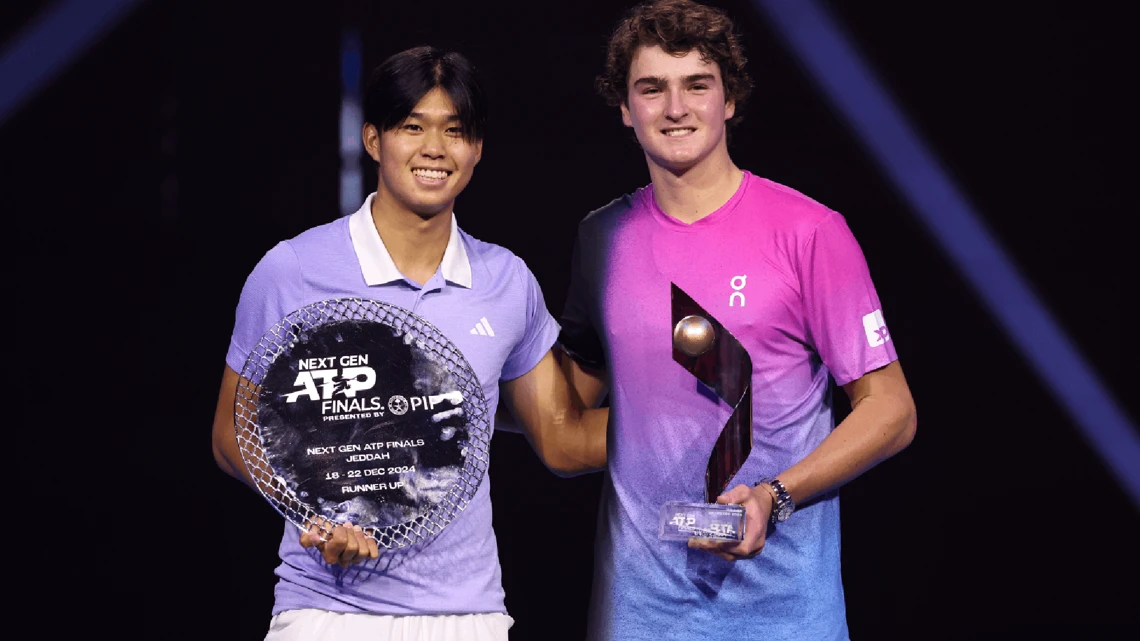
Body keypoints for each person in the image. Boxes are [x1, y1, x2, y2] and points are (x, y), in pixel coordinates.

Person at [211, 45, 606, 641]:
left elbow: (562, 438)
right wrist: (316, 516)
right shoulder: (293, 270)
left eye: (455, 130)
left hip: (468, 617)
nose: (434, 149)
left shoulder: (504, 281)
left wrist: (682, 422)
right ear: (374, 140)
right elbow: (230, 436)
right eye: (412, 127)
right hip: (325, 612)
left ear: (477, 148)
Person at [556, 1, 918, 639]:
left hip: (786, 617)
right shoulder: (602, 237)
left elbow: (891, 411)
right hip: (639, 617)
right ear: (625, 108)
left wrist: (774, 496)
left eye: (697, 85)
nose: (675, 108)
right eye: (652, 88)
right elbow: (565, 413)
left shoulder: (810, 231)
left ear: (730, 99)